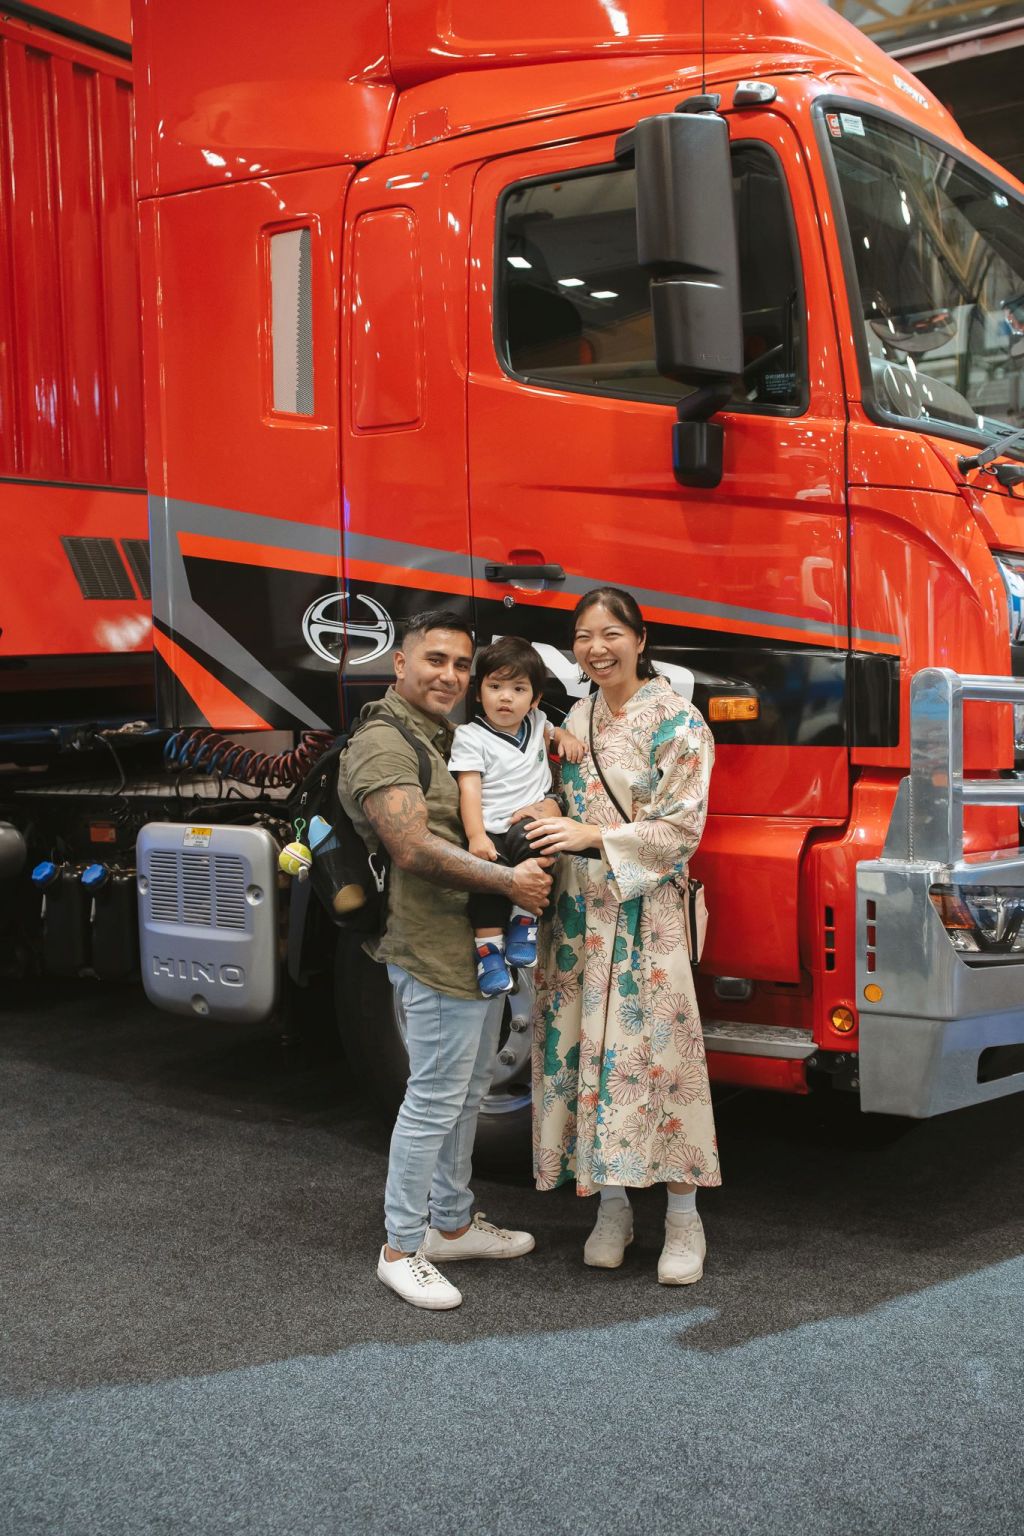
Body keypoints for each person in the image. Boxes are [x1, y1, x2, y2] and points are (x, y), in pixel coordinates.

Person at [339, 610, 553, 1311]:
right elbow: (412, 848)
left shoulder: (446, 735)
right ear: (399, 664)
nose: (451, 676)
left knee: (464, 1097)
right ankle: (401, 1247)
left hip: (470, 947)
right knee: (433, 1100)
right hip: (430, 951)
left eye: (462, 665)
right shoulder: (382, 742)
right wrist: (508, 883)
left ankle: (452, 1224)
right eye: (435, 660)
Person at [524, 587, 720, 1286]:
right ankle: (611, 1207)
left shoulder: (679, 723)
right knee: (586, 1057)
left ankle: (683, 1219)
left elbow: (680, 829)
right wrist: (547, 805)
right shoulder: (575, 713)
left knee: (657, 1060)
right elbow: (557, 786)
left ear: (640, 638)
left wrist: (591, 835)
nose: (596, 648)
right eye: (583, 636)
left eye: (610, 633)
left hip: (645, 915)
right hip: (578, 914)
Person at [449, 636, 584, 998]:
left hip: (527, 822)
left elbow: (554, 733)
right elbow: (470, 790)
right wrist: (476, 836)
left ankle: (524, 920)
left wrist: (565, 736)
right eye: (495, 686)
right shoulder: (470, 736)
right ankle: (489, 955)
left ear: (535, 699)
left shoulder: (538, 722)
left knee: (543, 847)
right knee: (488, 888)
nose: (505, 697)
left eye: (518, 688)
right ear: (479, 693)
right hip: (490, 828)